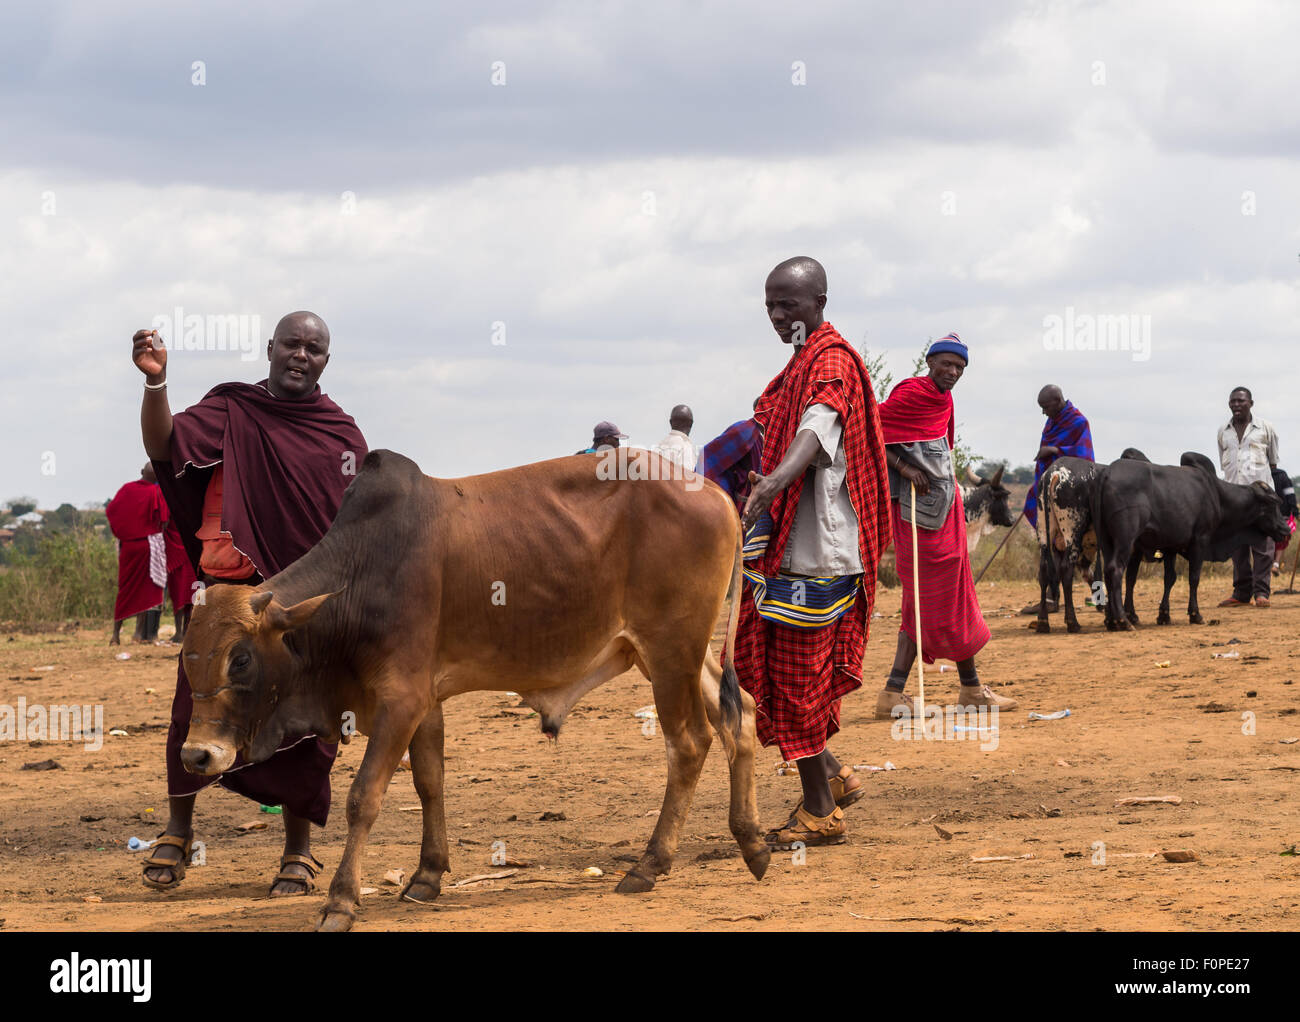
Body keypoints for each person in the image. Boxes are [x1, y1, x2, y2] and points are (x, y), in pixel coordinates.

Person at [131, 311, 368, 896]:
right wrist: (156, 382)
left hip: (298, 605)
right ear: (270, 348)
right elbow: (165, 445)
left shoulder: (342, 436)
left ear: (326, 361)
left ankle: (298, 851)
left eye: (314, 348)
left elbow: (352, 528)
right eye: (292, 343)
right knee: (200, 704)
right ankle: (178, 831)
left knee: (308, 726)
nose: (301, 355)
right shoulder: (234, 410)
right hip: (232, 596)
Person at [735, 256, 891, 850]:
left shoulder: (829, 362)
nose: (778, 316)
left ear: (820, 302)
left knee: (796, 677)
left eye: (789, 305)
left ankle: (820, 812)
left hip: (816, 552)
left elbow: (818, 426)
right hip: (802, 546)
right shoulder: (804, 359)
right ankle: (833, 773)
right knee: (790, 670)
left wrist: (774, 482)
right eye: (770, 306)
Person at [875, 334, 1016, 719]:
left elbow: (943, 454)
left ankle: (935, 691)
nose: (952, 372)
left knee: (947, 596)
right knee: (928, 598)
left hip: (943, 509)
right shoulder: (910, 394)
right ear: (930, 362)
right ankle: (957, 691)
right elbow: (870, 429)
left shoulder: (944, 400)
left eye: (960, 368)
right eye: (947, 364)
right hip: (916, 516)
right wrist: (905, 467)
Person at [1021, 385, 1094, 614]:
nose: (1044, 413)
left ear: (1058, 400)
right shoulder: (1052, 422)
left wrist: (1054, 449)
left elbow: (1084, 458)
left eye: (1046, 407)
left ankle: (1102, 598)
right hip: (1053, 492)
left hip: (1076, 493)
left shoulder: (1078, 422)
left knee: (1091, 554)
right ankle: (1052, 598)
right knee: (1054, 548)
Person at [1217, 387, 1279, 607]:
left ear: (1250, 403)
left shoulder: (1265, 429)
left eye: (1240, 401)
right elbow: (1226, 465)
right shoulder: (1223, 431)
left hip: (1260, 497)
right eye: (1232, 401)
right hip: (1233, 497)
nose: (1236, 405)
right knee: (1237, 547)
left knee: (1263, 546)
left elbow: (1273, 463)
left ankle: (1261, 593)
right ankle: (1241, 593)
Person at [106, 463, 167, 645]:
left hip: (128, 547)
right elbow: (164, 521)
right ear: (157, 478)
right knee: (146, 590)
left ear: (142, 473)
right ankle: (138, 634)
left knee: (124, 588)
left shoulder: (126, 489)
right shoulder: (156, 493)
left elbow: (111, 511)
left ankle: (115, 635)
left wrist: (123, 532)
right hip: (148, 546)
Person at [697, 408, 762, 516]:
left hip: (743, 503)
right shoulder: (745, 430)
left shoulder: (761, 438)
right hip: (724, 499)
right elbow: (708, 455)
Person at [653, 405, 697, 470]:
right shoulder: (686, 448)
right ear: (691, 424)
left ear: (670, 422)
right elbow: (688, 477)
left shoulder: (656, 449)